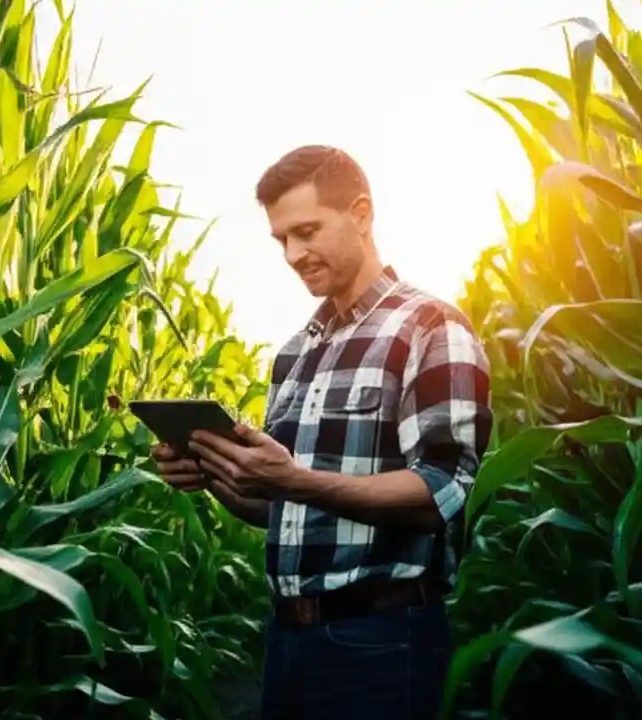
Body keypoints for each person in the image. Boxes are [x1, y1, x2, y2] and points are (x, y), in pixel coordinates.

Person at [150, 145, 492, 719]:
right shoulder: (298, 350)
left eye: (306, 231)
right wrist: (214, 472)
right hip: (288, 638)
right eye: (281, 239)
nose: (293, 253)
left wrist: (297, 481)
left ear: (360, 213)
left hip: (381, 639)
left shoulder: (430, 327)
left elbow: (443, 494)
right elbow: (281, 507)